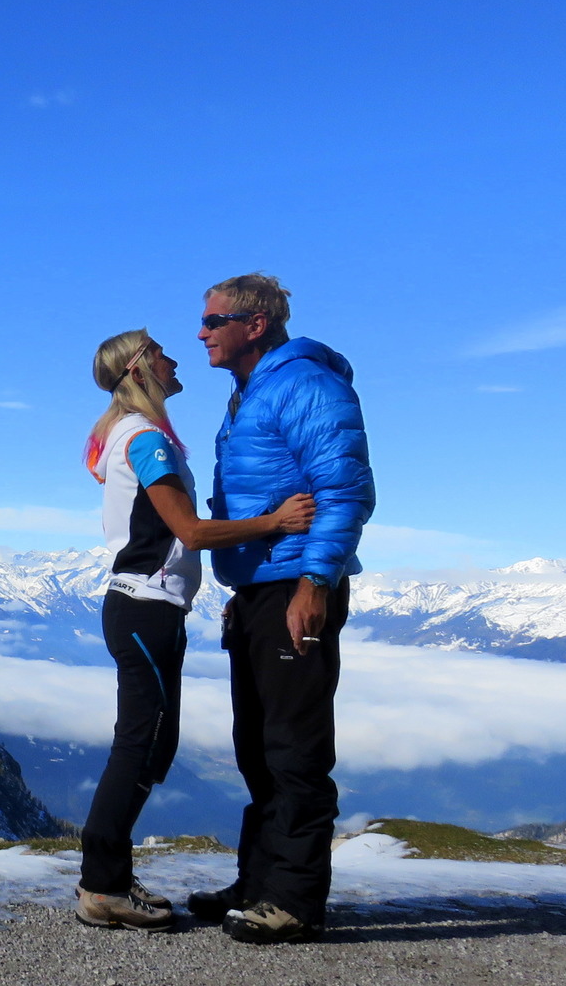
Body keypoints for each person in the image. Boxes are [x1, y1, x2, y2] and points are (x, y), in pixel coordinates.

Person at [74, 328, 316, 932]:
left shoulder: (132, 434)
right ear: (140, 368)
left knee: (153, 747)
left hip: (149, 610)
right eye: (159, 351)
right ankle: (101, 885)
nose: (174, 356)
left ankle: (107, 878)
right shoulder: (148, 440)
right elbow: (192, 532)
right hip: (146, 608)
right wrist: (276, 522)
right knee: (139, 746)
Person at [187, 274, 375, 945]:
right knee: (257, 747)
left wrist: (315, 583)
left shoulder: (304, 385)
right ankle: (259, 882)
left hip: (295, 586)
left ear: (255, 323)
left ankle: (293, 899)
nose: (202, 331)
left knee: (294, 747)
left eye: (213, 319)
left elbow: (346, 487)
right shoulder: (251, 393)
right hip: (259, 591)